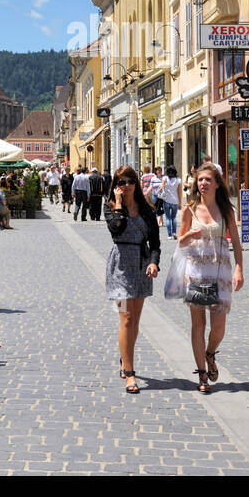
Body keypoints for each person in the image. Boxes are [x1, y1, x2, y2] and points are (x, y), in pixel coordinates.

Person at [176, 163, 244, 393]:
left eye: (207, 179)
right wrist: (190, 234)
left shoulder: (226, 211)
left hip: (221, 271)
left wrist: (239, 269)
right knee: (198, 325)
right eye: (200, 179)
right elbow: (180, 241)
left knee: (218, 327)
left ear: (217, 184)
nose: (203, 183)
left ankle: (210, 352)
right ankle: (202, 374)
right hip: (195, 271)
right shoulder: (190, 210)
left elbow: (235, 241)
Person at [104, 165, 161, 394]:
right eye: (120, 182)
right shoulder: (109, 208)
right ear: (115, 186)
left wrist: (154, 262)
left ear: (135, 183)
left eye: (129, 181)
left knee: (135, 319)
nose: (125, 185)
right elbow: (116, 229)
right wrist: (118, 205)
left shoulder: (147, 209)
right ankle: (129, 372)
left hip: (141, 264)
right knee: (126, 317)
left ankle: (124, 357)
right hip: (121, 267)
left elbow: (155, 243)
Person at [160, 165, 182, 238]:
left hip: (166, 200)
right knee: (174, 218)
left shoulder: (165, 178)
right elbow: (179, 192)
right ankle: (174, 233)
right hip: (175, 201)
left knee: (168, 218)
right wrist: (180, 203)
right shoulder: (178, 180)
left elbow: (161, 187)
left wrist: (163, 189)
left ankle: (169, 235)